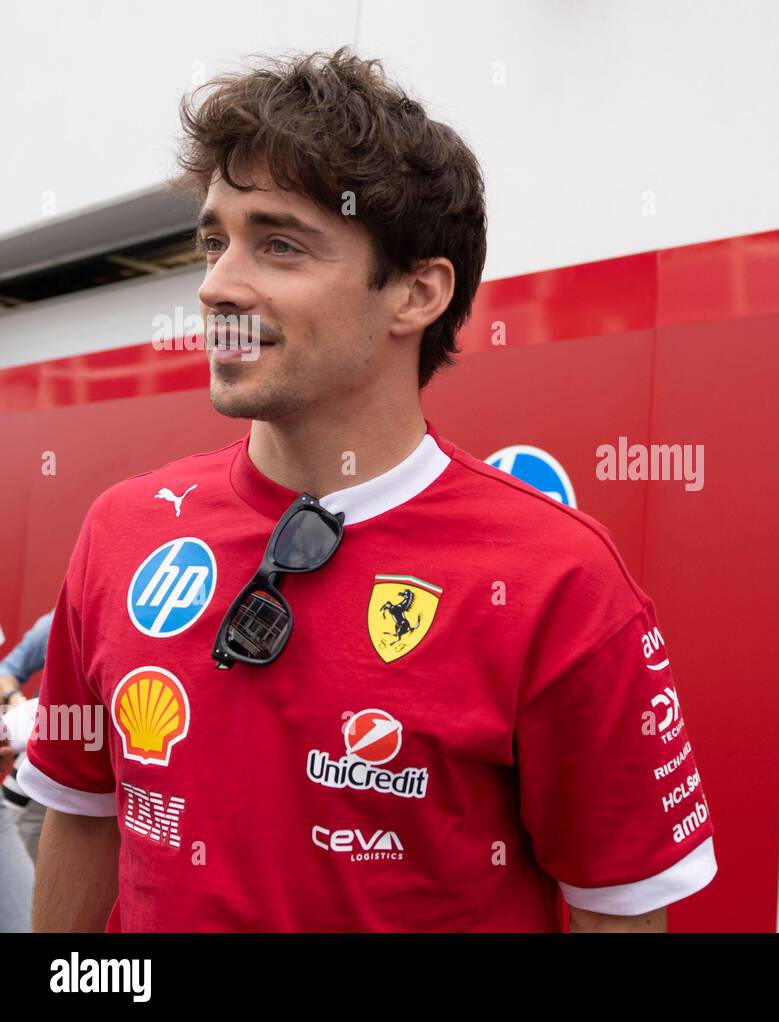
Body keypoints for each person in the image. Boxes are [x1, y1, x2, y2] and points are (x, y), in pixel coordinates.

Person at [20, 47, 716, 933]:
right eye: (213, 241)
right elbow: (83, 814)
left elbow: (619, 912)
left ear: (417, 293)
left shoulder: (558, 579)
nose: (216, 286)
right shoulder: (122, 530)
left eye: (278, 244)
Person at [0, 610, 53, 862]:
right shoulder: (57, 620)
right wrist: (14, 699)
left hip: (100, 783)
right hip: (37, 762)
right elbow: (7, 670)